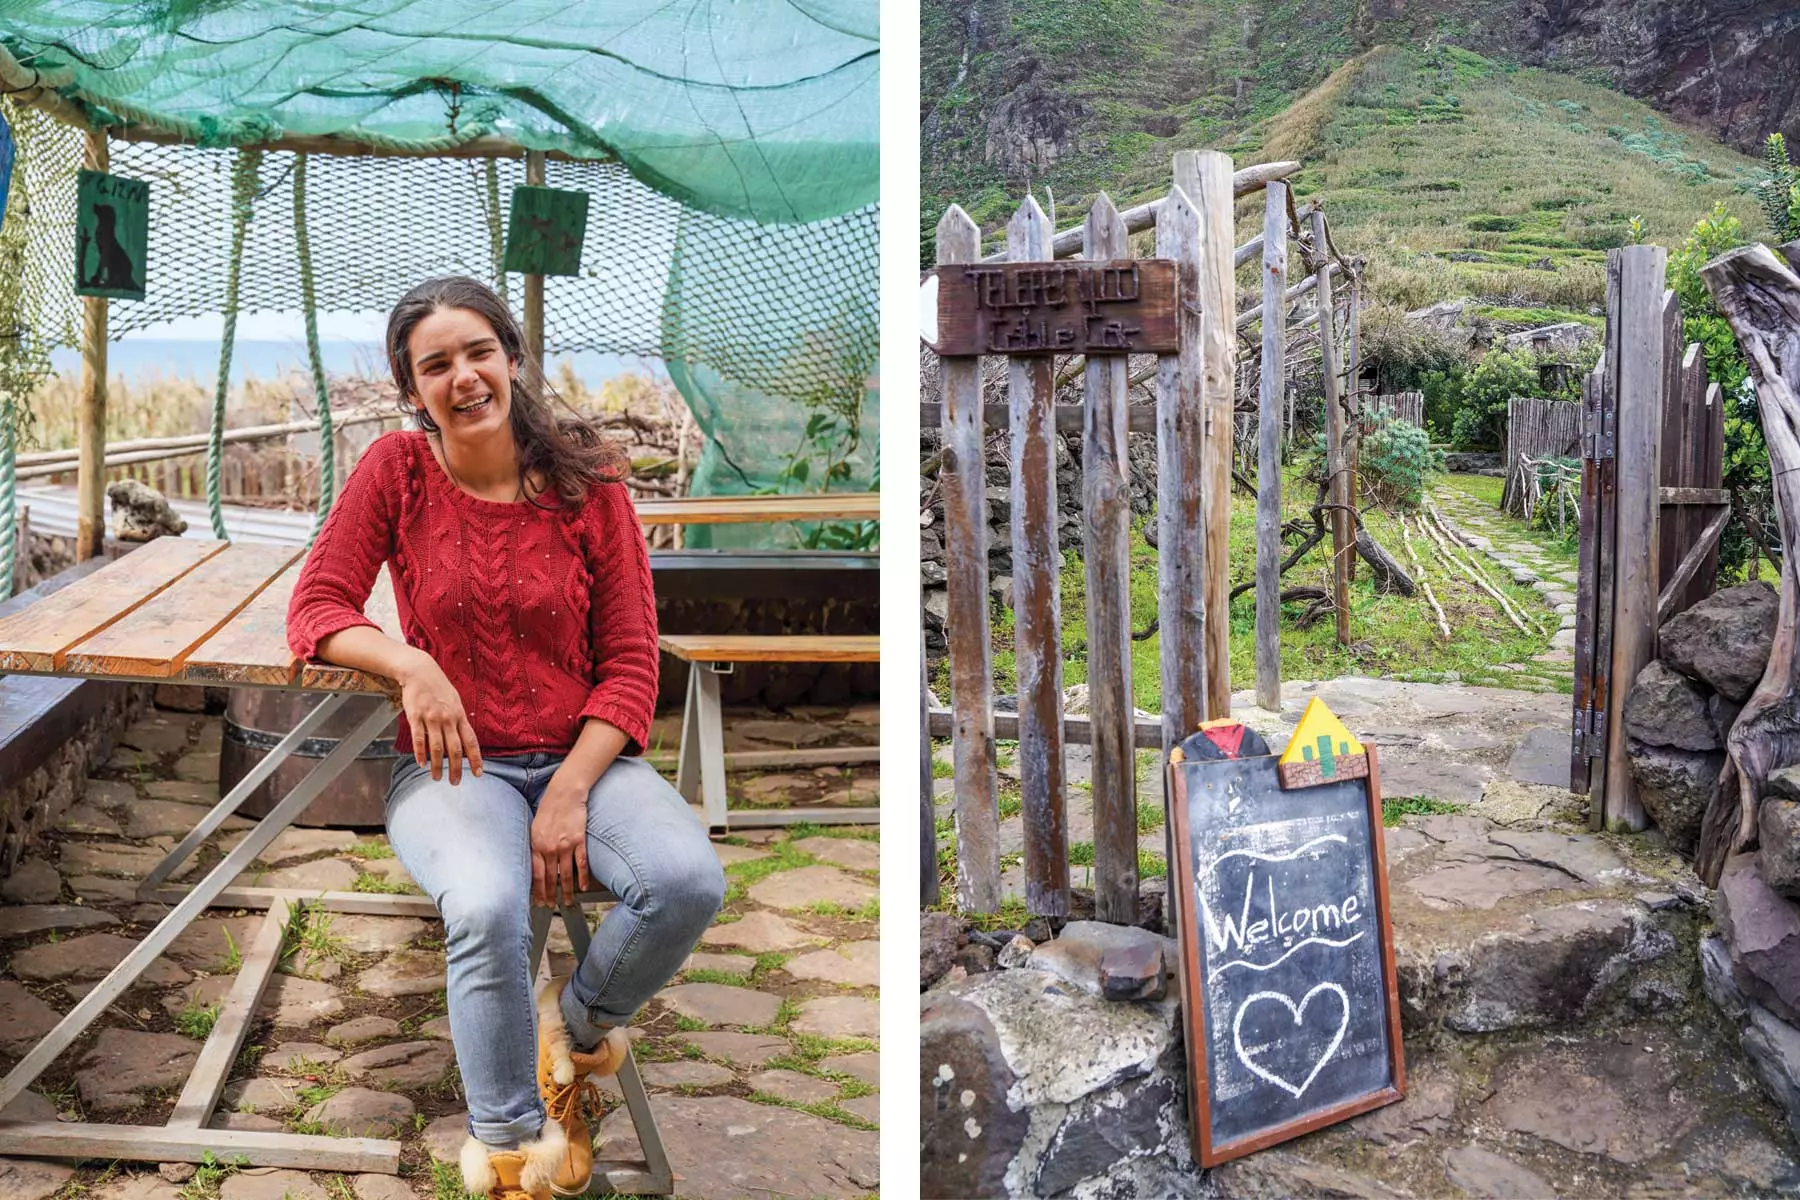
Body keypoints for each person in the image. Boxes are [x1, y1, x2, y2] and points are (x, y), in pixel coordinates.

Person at [287, 276, 726, 1200]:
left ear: (512, 360)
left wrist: (569, 791)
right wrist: (414, 666)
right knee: (485, 906)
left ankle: (573, 1023)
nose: (463, 377)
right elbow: (318, 607)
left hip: (590, 761)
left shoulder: (589, 484)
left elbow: (633, 665)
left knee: (687, 880)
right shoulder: (395, 474)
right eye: (435, 364)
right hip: (454, 768)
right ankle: (512, 1156)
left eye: (478, 352)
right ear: (413, 390)